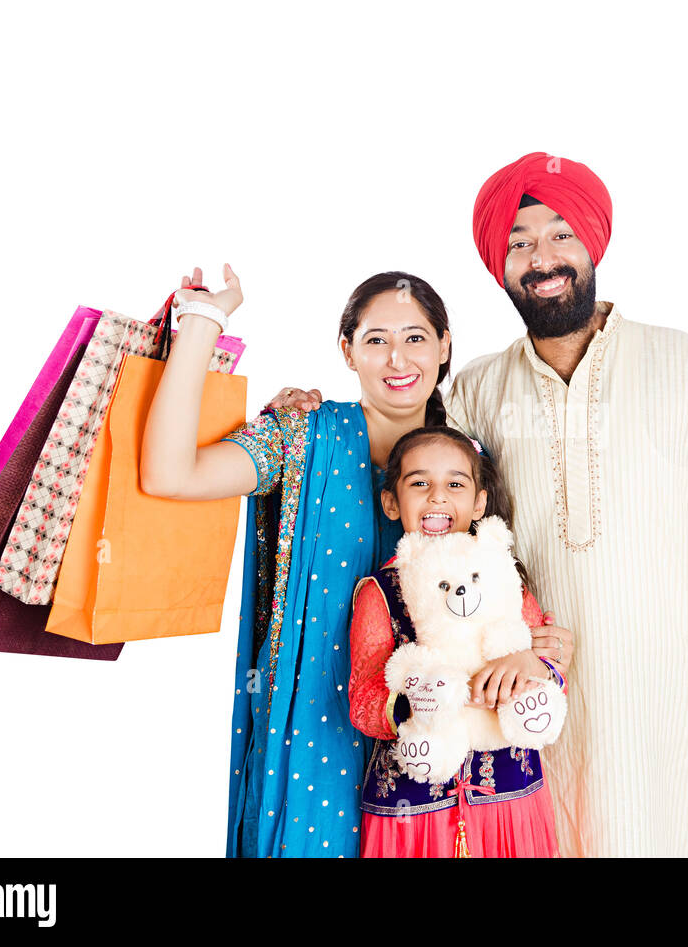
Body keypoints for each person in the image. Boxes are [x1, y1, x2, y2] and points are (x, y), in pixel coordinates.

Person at [268, 152, 688, 856]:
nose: (542, 257)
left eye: (561, 233)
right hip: (515, 703)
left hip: (665, 690)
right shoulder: (476, 390)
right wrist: (303, 425)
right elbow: (406, 477)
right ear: (500, 266)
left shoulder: (680, 363)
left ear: (593, 241)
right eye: (519, 241)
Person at [138, 266, 575, 858]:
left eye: (416, 337)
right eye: (376, 339)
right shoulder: (304, 437)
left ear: (445, 347)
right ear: (347, 351)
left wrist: (542, 653)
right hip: (317, 723)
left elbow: (509, 597)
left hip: (451, 776)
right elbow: (169, 474)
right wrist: (203, 321)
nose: (398, 358)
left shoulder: (467, 460)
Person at [349, 425, 565, 857]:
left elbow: (547, 661)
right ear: (391, 503)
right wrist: (415, 701)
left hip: (508, 798)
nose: (437, 496)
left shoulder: (504, 577)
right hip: (412, 809)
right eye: (419, 483)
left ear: (479, 501)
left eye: (454, 484)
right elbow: (363, 699)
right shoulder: (380, 591)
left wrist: (535, 668)